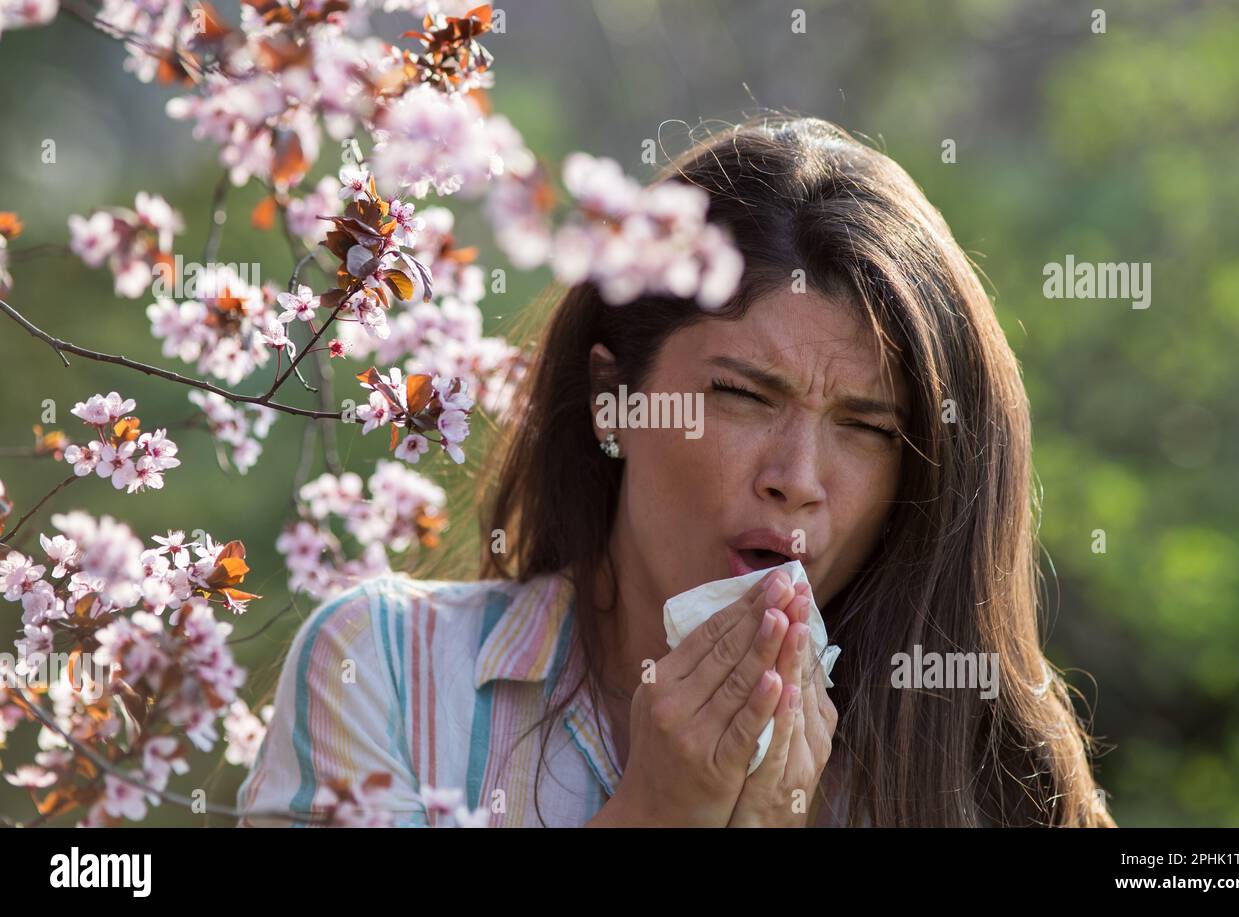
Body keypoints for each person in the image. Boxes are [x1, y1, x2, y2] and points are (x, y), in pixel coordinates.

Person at [237, 114, 1116, 828]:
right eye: (742, 396)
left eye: (866, 427)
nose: (797, 478)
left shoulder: (972, 778)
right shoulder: (387, 668)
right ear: (614, 400)